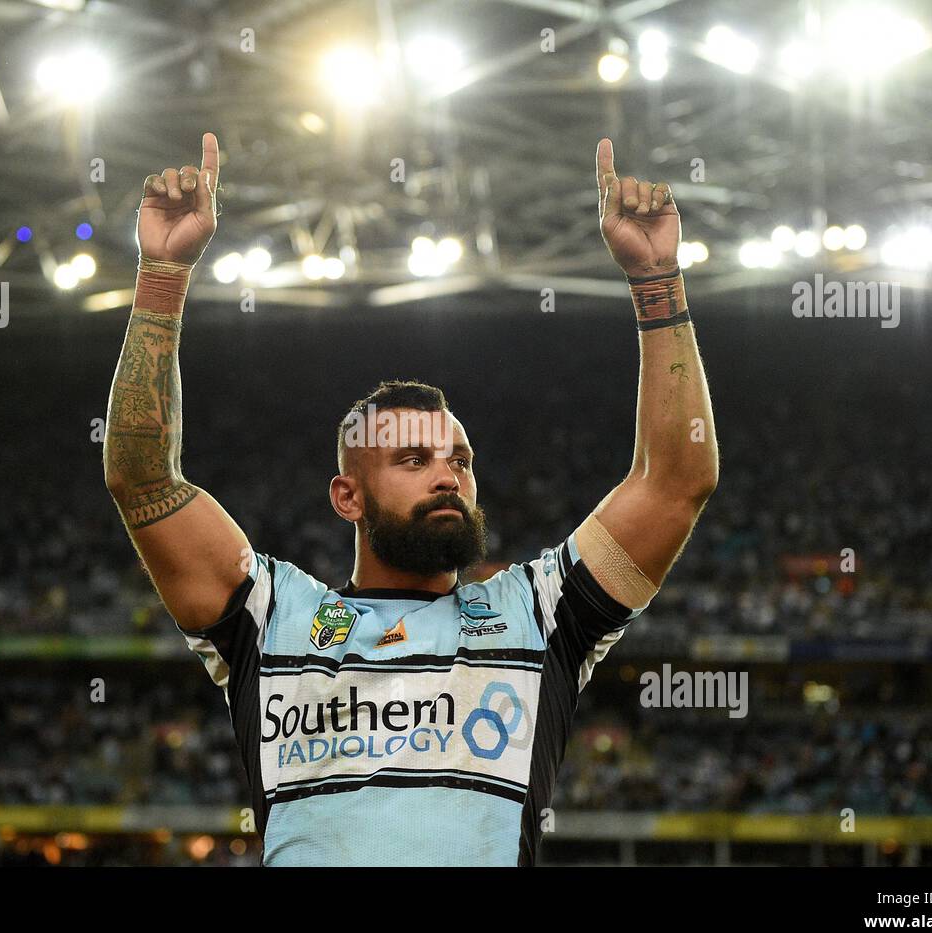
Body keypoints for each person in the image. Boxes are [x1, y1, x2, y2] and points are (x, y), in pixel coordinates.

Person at [103, 132, 717, 865]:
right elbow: (142, 479)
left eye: (459, 459)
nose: (448, 475)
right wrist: (164, 275)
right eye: (414, 459)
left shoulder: (540, 615)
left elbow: (676, 481)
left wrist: (657, 282)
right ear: (347, 495)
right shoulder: (273, 619)